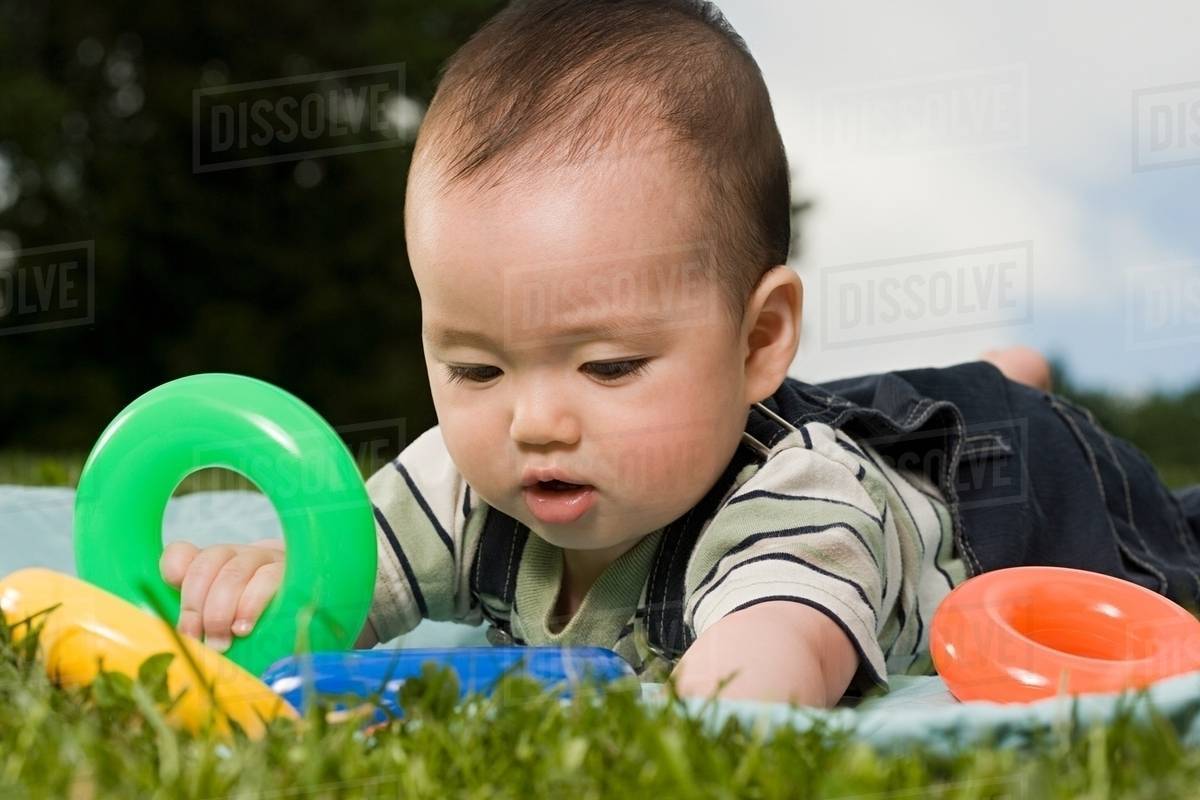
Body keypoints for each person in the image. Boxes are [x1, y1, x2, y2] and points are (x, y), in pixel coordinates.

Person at [159, 0, 1200, 707]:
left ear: (756, 337)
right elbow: (357, 573)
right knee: (789, 418)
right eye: (476, 366)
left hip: (1019, 490)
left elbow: (777, 640)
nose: (534, 421)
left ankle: (1001, 393)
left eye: (606, 365)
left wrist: (743, 676)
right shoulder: (472, 473)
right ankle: (976, 377)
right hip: (784, 423)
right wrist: (276, 584)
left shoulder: (795, 508)